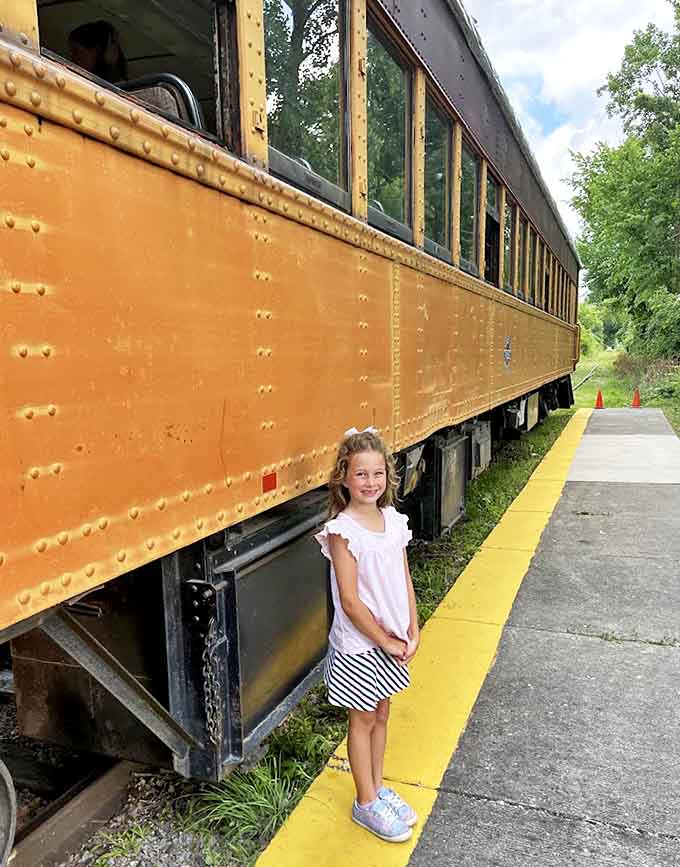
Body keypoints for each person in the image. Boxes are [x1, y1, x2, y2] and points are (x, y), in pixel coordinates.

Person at [315, 426, 420, 843]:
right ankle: (365, 802)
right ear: (344, 477)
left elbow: (404, 576)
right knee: (361, 721)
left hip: (390, 637)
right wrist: (386, 640)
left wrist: (414, 624)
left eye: (377, 474)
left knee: (381, 714)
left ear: (387, 477)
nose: (370, 482)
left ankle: (377, 787)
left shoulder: (392, 521)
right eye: (360, 474)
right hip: (361, 646)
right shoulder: (343, 531)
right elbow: (351, 601)